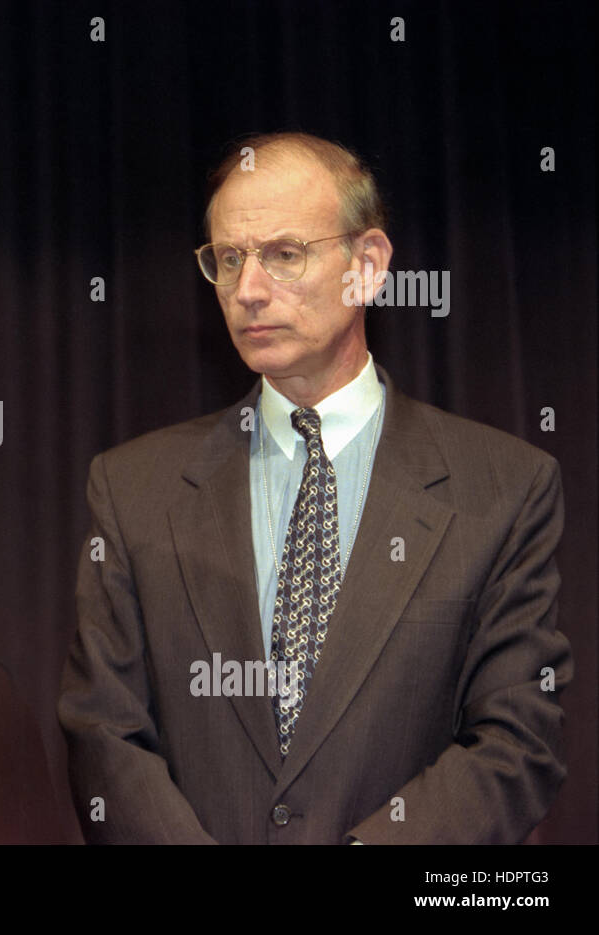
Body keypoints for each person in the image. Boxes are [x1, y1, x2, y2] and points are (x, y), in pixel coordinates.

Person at [58, 132, 571, 843]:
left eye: (283, 254)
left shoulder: (504, 488)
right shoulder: (132, 489)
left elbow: (518, 738)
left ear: (367, 267)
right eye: (228, 259)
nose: (248, 289)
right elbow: (103, 729)